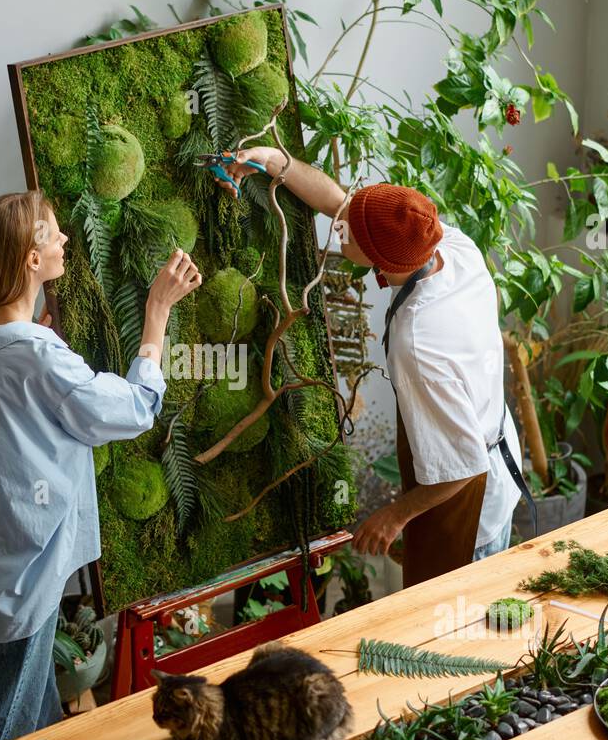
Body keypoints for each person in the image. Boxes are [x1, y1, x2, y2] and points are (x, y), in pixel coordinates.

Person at [0, 191, 201, 740]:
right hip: (20, 568)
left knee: (26, 705)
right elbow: (131, 408)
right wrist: (157, 313)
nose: (67, 240)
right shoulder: (35, 358)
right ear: (33, 260)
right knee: (2, 731)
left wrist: (39, 346)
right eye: (54, 234)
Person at [214, 150, 522, 588]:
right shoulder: (447, 245)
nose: (339, 227)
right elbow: (340, 204)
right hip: (491, 436)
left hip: (472, 502)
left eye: (350, 234)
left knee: (454, 633)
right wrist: (272, 162)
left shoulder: (418, 343)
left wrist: (394, 515)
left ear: (381, 262)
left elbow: (463, 465)